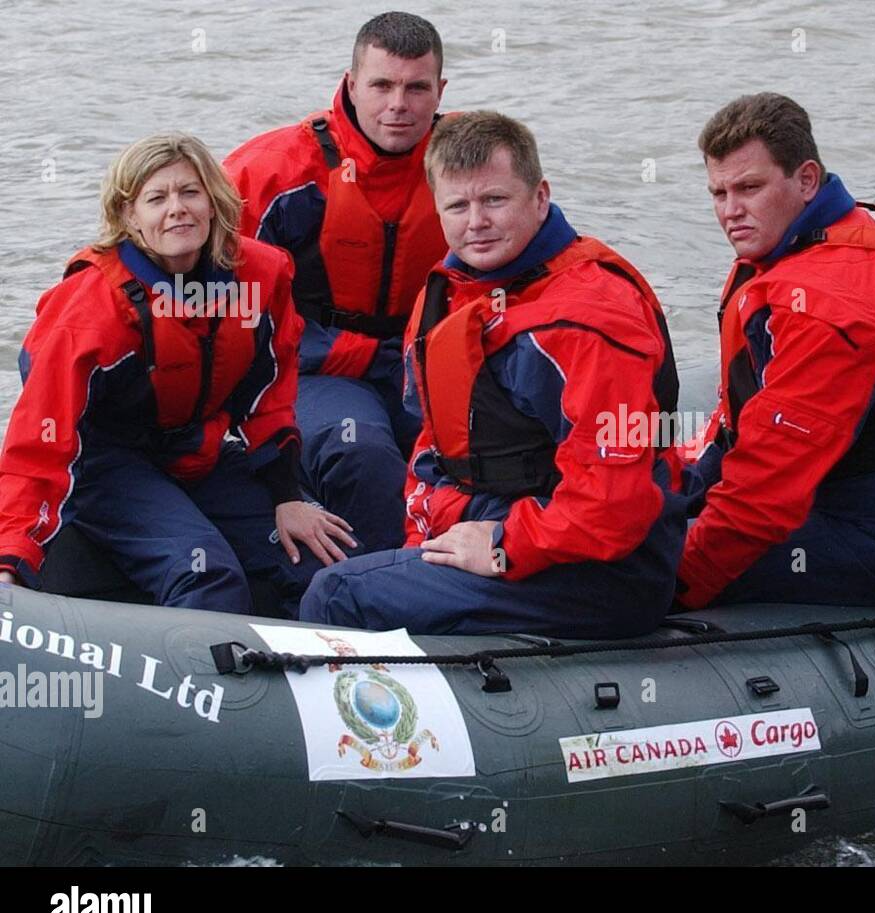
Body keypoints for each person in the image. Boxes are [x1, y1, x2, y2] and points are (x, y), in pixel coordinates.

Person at [299, 112, 684, 637]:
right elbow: (434, 451)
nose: (475, 222)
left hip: (601, 569)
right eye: (457, 206)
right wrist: (422, 548)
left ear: (540, 197)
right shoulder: (448, 293)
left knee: (337, 595)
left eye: (494, 201)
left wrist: (504, 545)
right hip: (504, 515)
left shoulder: (592, 316)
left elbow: (612, 505)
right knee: (317, 567)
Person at [0, 133, 354, 615]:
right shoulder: (90, 310)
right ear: (129, 217)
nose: (178, 209)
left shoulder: (259, 275)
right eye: (157, 198)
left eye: (190, 192)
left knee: (324, 563)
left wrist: (287, 496)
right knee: (206, 573)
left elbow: (268, 398)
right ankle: (208, 687)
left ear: (213, 202)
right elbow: (40, 441)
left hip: (197, 452)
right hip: (106, 466)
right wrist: (12, 556)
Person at [672, 93, 875, 611]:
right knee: (638, 524)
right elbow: (746, 427)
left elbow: (764, 495)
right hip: (853, 494)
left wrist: (672, 585)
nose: (731, 211)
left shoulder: (833, 302)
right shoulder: (791, 246)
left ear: (805, 180)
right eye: (719, 193)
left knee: (636, 573)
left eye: (749, 188)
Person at [224, 11, 449, 552]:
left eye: (417, 87)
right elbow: (220, 304)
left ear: (441, 91)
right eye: (382, 85)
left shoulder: (469, 160)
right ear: (351, 84)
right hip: (315, 368)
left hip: (423, 359)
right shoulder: (272, 172)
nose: (399, 104)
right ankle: (376, 595)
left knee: (475, 445)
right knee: (362, 451)